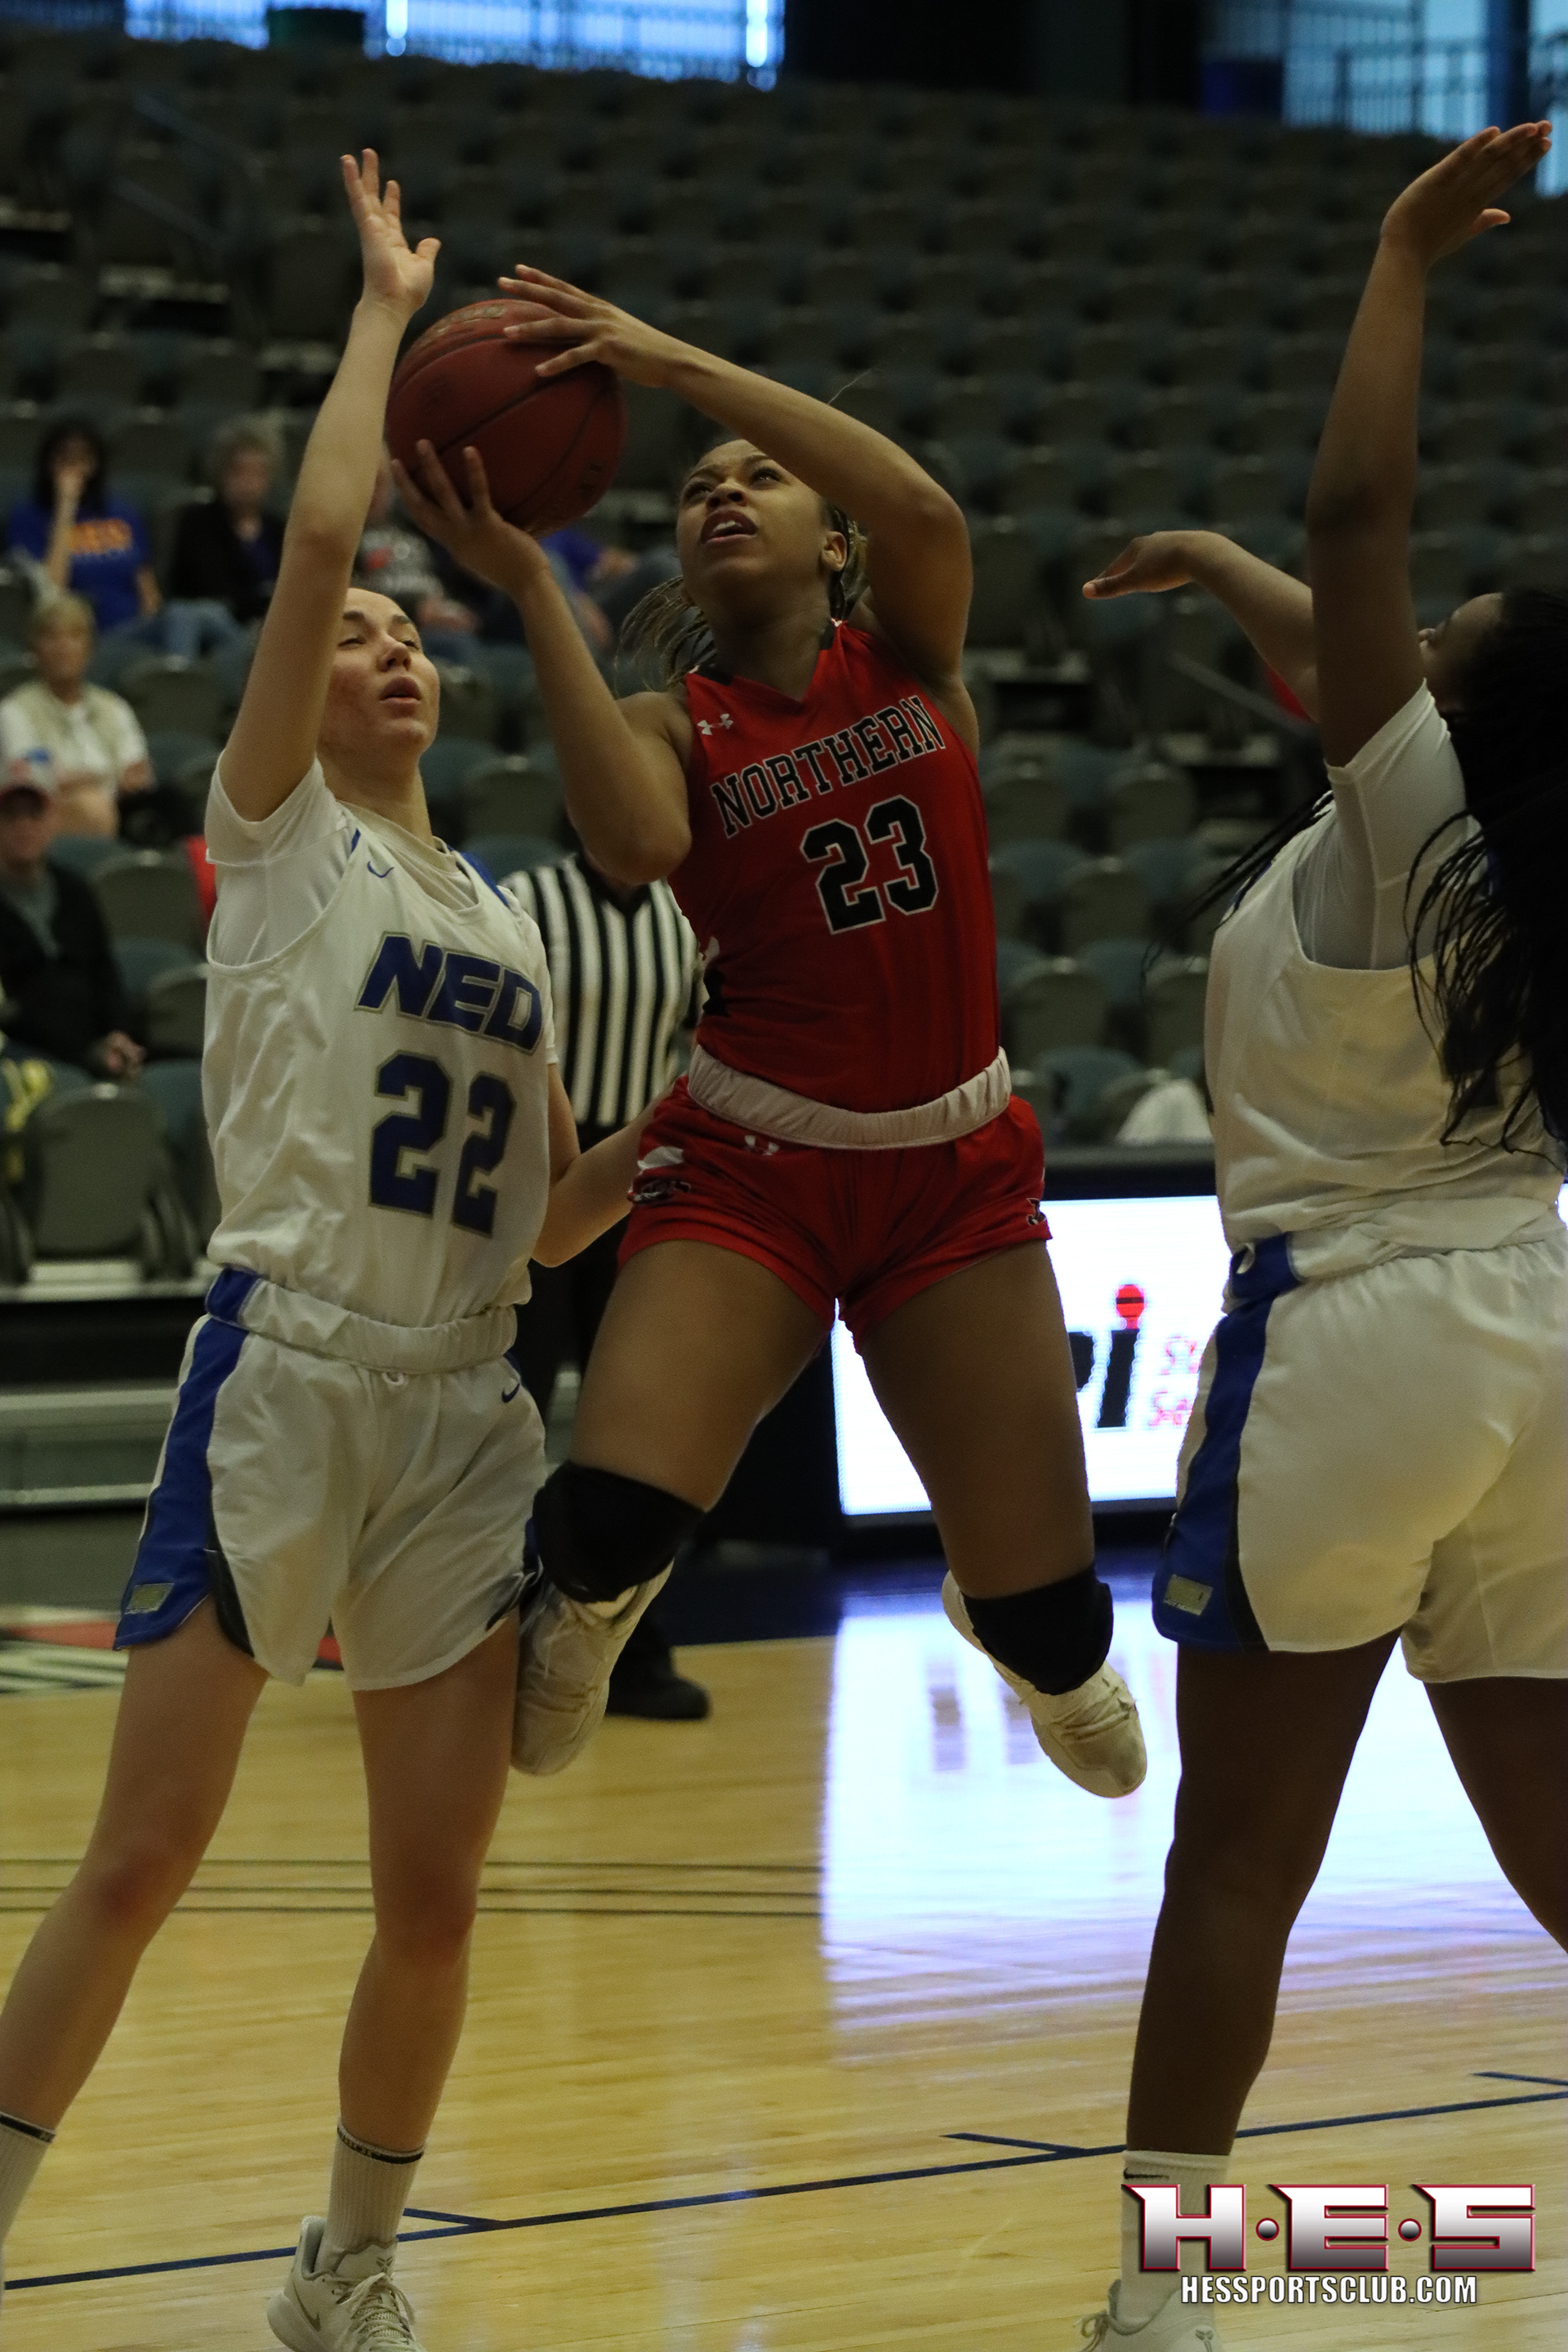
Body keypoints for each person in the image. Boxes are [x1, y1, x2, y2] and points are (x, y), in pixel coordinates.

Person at [0, 154, 651, 2352]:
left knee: (437, 1894)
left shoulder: (506, 922)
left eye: (406, 635)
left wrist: (688, 1134)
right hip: (287, 1372)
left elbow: (544, 1218)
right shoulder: (274, 836)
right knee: (143, 1856)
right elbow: (308, 545)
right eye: (359, 631)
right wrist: (385, 314)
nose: (382, 642)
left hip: (463, 1407)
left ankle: (346, 2266)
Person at [392, 263, 1148, 1799]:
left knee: (1059, 1636)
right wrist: (530, 582)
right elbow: (629, 846)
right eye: (696, 490)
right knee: (614, 1520)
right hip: (754, 1165)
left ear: (835, 541)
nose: (723, 493)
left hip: (951, 1176)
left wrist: (669, 361)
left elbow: (925, 507)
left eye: (760, 478)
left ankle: (1012, 1618)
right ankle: (586, 1599)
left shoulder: (917, 657)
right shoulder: (675, 723)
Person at [1071, 123, 1564, 2348]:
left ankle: (1164, 2299)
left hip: (1362, 1335)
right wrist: (1211, 563)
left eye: (1443, 639)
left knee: (1238, 1861)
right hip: (1538, 1329)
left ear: (1454, 704)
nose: (1399, 624)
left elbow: (1358, 535)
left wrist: (1399, 258)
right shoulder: (1510, 838)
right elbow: (1343, 619)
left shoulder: (1415, 819)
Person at [503, 828, 709, 1721]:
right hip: (540, 1175)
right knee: (513, 1413)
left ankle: (627, 1643)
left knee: (641, 1422)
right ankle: (489, 1632)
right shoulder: (525, 901)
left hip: (637, 1173)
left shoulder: (683, 916)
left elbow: (710, 1031)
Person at [0, 765, 143, 1079]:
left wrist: (118, 1034)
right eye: (11, 815)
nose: (24, 825)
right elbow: (10, 1012)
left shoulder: (74, 889)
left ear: (52, 821)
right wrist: (87, 1053)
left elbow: (104, 971)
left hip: (97, 1041)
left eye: (34, 814)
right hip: (27, 1055)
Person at [0, 594, 153, 837]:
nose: (63, 647)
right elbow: (34, 783)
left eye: (74, 636)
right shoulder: (15, 711)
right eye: (52, 637)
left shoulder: (115, 707)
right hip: (46, 822)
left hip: (122, 812)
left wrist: (84, 779)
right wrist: (108, 777)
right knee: (92, 807)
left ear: (90, 648)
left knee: (168, 801)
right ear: (34, 649)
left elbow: (137, 775)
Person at [357, 447, 481, 662]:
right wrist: (415, 611)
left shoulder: (413, 525)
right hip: (395, 627)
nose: (373, 492)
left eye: (380, 482)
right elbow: (351, 598)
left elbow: (452, 572)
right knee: (454, 646)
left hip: (445, 613)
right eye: (364, 482)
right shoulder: (344, 540)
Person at [165, 416, 287, 630]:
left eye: (258, 473)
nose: (249, 483)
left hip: (270, 627)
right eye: (240, 472)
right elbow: (209, 589)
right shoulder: (198, 521)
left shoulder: (277, 528)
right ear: (221, 472)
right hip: (212, 626)